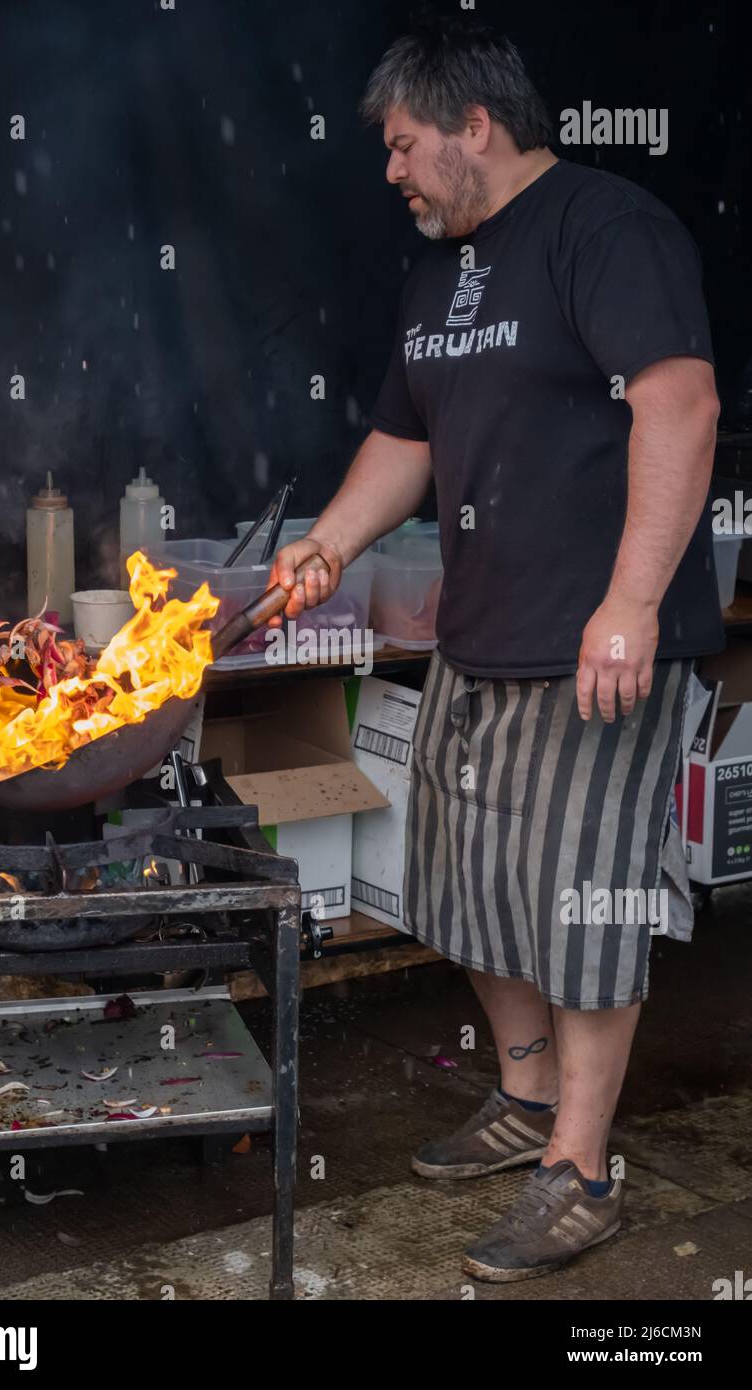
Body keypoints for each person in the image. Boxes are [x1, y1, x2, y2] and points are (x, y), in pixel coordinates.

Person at [269, 17, 722, 1282]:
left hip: (596, 649)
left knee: (578, 908)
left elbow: (678, 403)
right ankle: (523, 1102)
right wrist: (323, 551)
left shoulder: (604, 227)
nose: (390, 172)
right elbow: (406, 441)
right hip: (479, 638)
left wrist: (629, 602)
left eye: (404, 145)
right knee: (462, 892)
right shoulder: (438, 276)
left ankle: (577, 1173)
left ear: (474, 125)